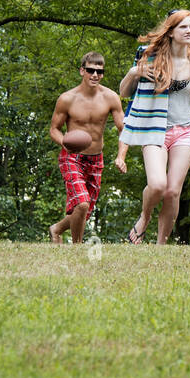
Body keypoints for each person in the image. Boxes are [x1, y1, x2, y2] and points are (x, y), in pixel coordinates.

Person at [117, 10, 190, 244]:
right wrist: (134, 72)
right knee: (157, 184)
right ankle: (145, 216)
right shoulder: (150, 58)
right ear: (171, 32)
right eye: (183, 27)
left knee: (173, 191)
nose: (189, 31)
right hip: (154, 128)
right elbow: (124, 93)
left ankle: (161, 245)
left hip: (185, 129)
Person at [48, 51, 126, 244]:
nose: (95, 75)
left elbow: (124, 129)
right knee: (82, 204)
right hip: (72, 157)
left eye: (99, 71)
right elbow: (54, 130)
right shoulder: (67, 99)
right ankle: (77, 247)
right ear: (82, 70)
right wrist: (65, 142)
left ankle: (56, 229)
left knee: (84, 212)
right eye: (90, 70)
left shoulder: (110, 97)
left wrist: (121, 156)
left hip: (96, 159)